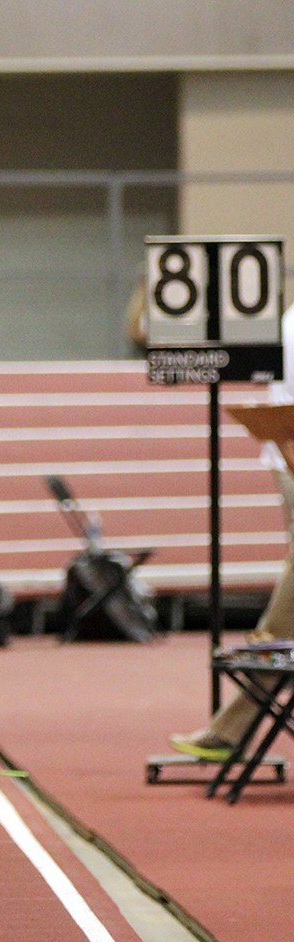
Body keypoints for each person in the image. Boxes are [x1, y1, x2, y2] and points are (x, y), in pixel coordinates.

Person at [170, 301, 294, 761]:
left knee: (286, 615)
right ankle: (234, 723)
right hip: (289, 454)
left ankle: (233, 725)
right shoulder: (293, 320)